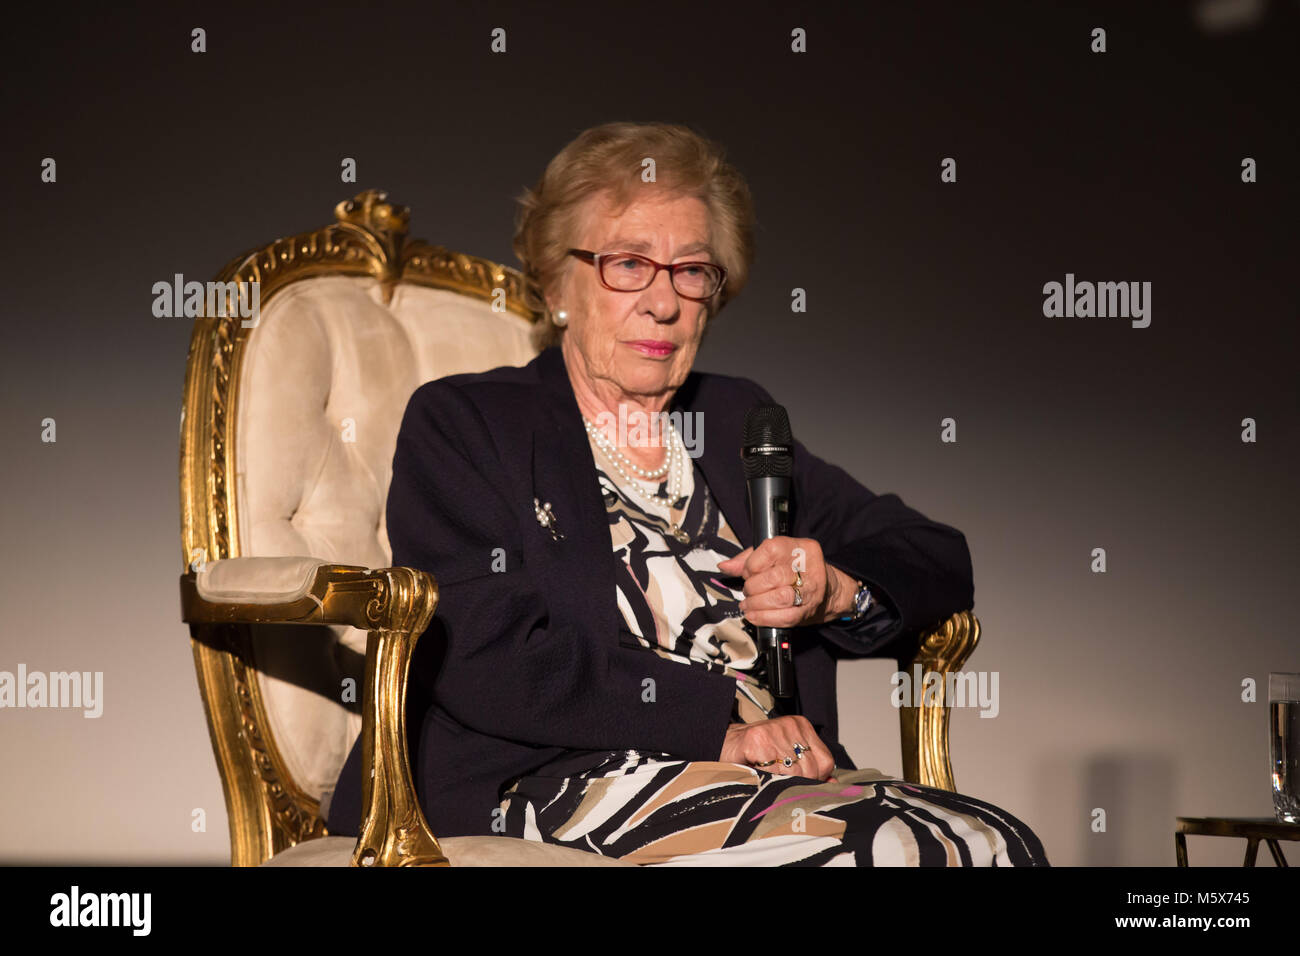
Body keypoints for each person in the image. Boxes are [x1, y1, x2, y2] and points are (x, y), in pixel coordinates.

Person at [327, 121, 1048, 866]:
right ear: (556, 284)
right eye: (629, 265)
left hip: (768, 781)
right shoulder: (469, 423)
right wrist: (720, 728)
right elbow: (487, 658)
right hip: (546, 778)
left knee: (996, 843)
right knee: (881, 855)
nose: (664, 303)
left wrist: (835, 589)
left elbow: (934, 554)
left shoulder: (734, 420)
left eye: (691, 271)